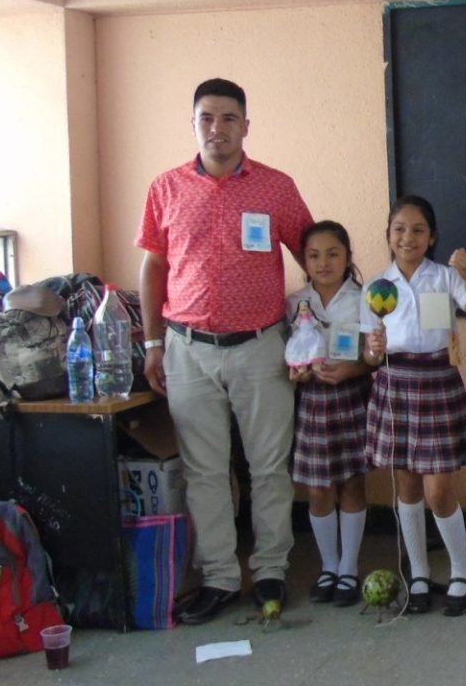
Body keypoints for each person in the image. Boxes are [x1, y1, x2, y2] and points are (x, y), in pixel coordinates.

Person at [137, 77, 314, 625]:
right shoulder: (165, 188)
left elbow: (315, 254)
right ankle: (217, 577)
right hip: (187, 349)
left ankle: (270, 570)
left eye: (229, 118)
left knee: (268, 467)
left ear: (245, 125)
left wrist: (315, 330)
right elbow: (153, 267)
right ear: (193, 124)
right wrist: (152, 343)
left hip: (261, 347)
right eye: (207, 118)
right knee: (204, 471)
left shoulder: (276, 188)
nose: (217, 129)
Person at [361, 195, 466, 617]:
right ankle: (417, 573)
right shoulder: (377, 286)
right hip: (394, 384)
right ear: (388, 234)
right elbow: (368, 356)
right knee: (406, 488)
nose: (408, 237)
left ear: (432, 236)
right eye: (399, 228)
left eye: (418, 230)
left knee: (438, 490)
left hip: (437, 381)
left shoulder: (444, 277)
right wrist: (372, 349)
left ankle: (461, 570)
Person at [285, 221, 375, 607]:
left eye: (333, 253)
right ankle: (329, 566)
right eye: (314, 255)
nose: (323, 263)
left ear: (347, 257)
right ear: (304, 260)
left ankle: (349, 570)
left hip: (352, 397)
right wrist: (299, 372)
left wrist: (350, 369)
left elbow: (378, 358)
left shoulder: (363, 297)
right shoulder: (294, 302)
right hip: (312, 404)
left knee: (352, 483)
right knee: (318, 488)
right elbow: (286, 357)